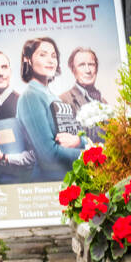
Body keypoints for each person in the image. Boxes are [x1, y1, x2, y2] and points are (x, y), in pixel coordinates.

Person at [16, 37, 85, 182]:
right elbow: (48, 155)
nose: (50, 60)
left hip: (66, 181)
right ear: (28, 59)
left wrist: (79, 142)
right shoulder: (31, 97)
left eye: (54, 56)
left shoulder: (54, 97)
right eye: (43, 54)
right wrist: (86, 154)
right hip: (45, 186)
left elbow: (72, 137)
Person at [0, 49, 36, 185]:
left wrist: (4, 158)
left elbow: (36, 156)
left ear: (10, 71)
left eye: (4, 67)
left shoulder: (25, 104)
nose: (0, 73)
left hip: (21, 186)